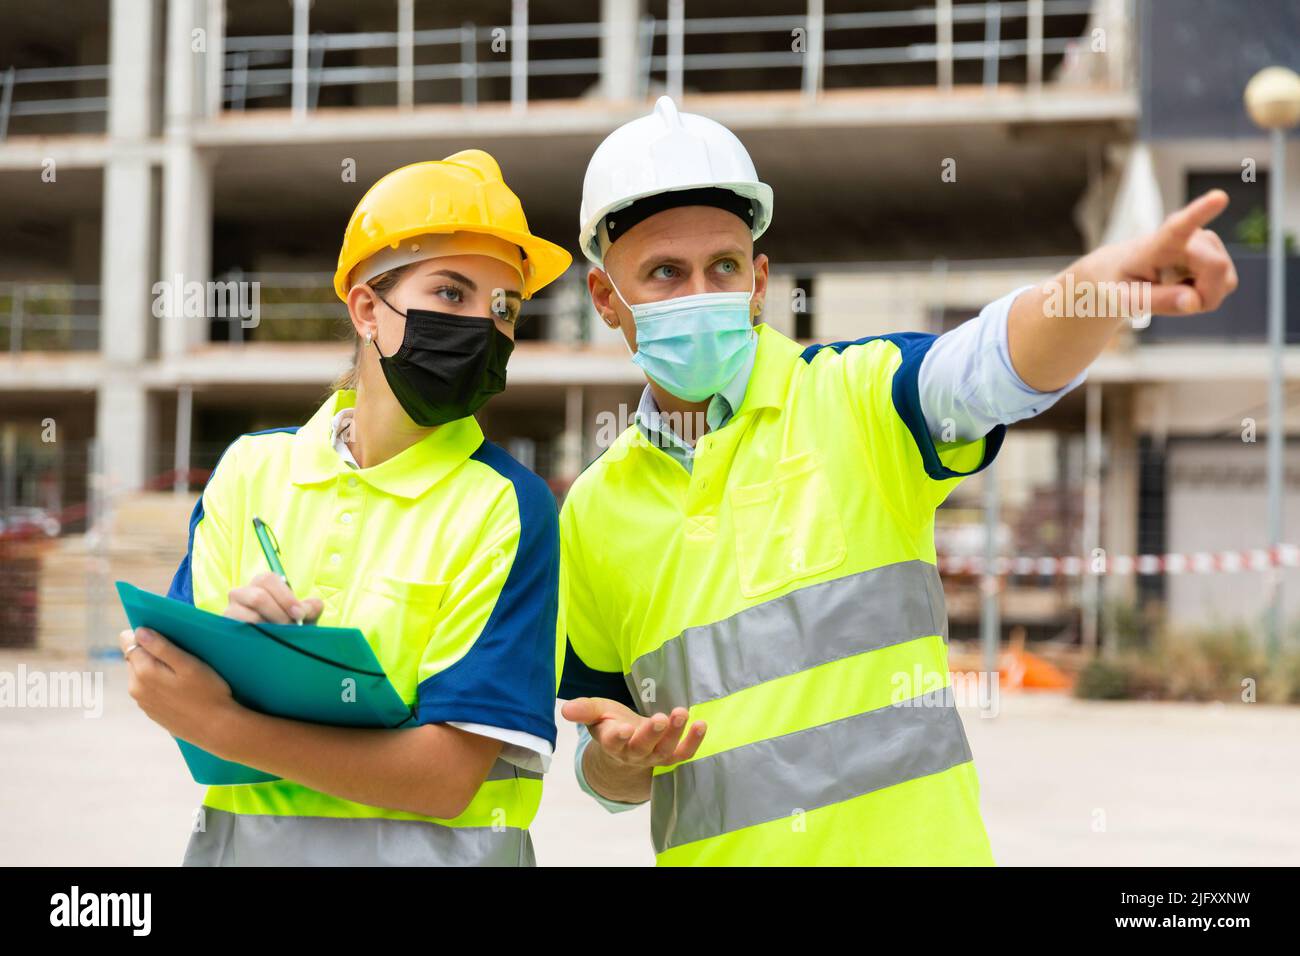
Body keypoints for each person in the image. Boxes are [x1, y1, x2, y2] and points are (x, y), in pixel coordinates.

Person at [557, 97, 1238, 865]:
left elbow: (987, 367)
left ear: (759, 281)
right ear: (606, 300)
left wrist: (1097, 288)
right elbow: (604, 754)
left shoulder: (859, 398)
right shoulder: (591, 513)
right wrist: (615, 763)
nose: (702, 294)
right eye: (664, 274)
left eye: (723, 267)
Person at [117, 149, 573, 866]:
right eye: (451, 293)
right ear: (367, 308)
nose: (483, 326)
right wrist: (240, 652)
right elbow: (173, 693)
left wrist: (233, 719)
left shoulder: (509, 509)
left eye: (504, 306)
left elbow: (447, 777)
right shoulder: (250, 471)